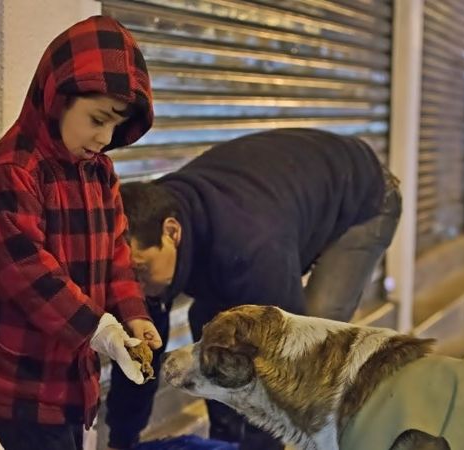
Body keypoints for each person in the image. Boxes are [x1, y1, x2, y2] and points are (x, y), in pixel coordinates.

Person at [106, 128, 402, 450]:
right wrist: (121, 441)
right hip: (282, 194)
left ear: (171, 232)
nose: (135, 285)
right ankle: (229, 441)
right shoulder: (143, 238)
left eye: (140, 271)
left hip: (363, 195)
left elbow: (282, 362)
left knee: (314, 336)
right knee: (210, 327)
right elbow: (139, 353)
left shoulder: (252, 250)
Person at [0, 16, 162, 450]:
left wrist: (134, 314)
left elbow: (116, 255)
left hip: (71, 372)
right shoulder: (12, 174)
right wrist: (101, 329)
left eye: (115, 125)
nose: (104, 138)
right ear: (58, 97)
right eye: (97, 119)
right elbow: (31, 277)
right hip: (20, 380)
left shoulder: (98, 172)